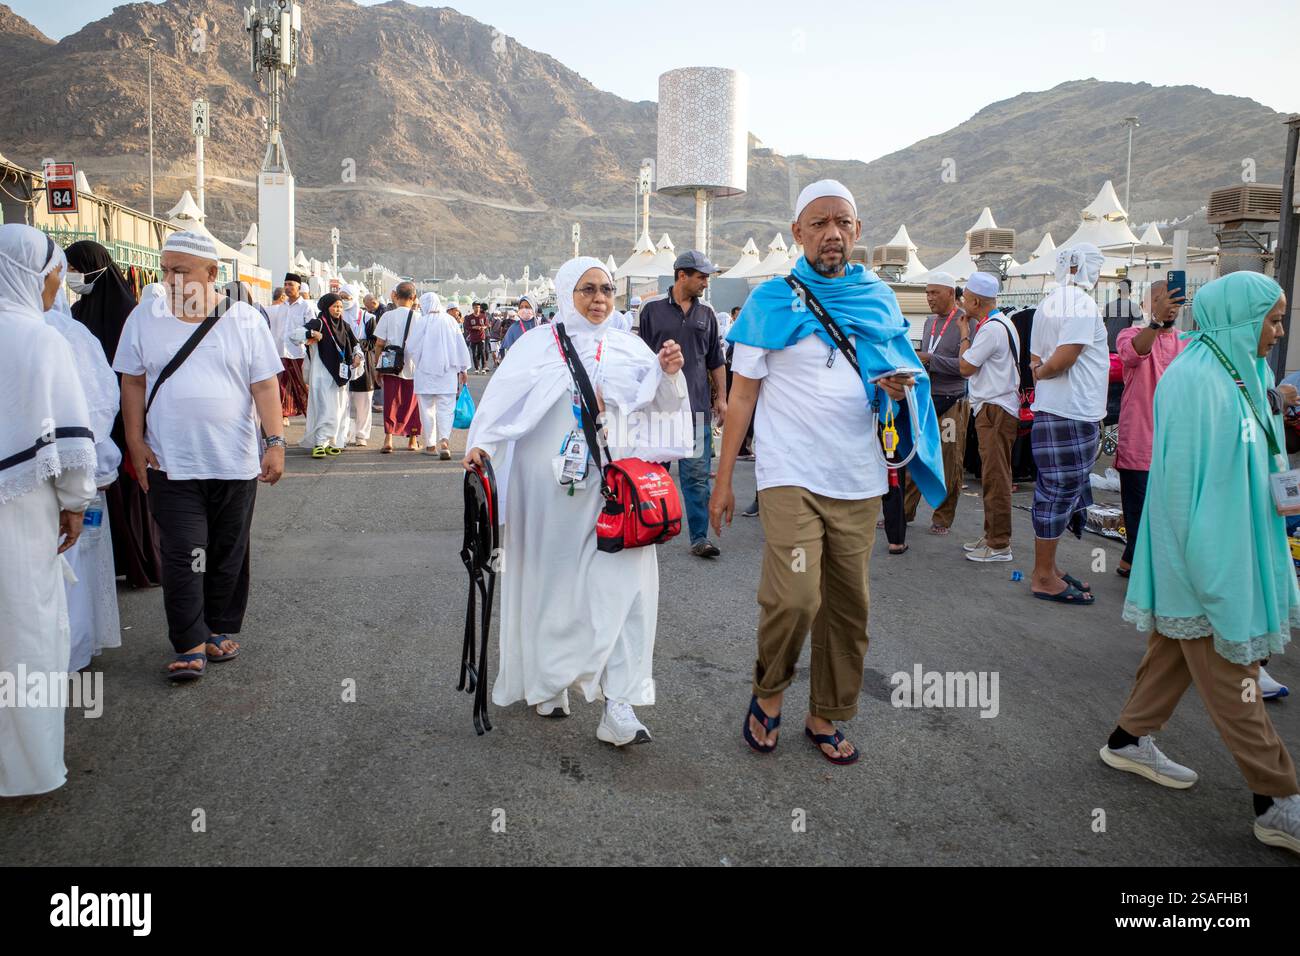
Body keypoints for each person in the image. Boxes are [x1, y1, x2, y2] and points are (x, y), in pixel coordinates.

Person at [711, 180, 946, 765]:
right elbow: (740, 401)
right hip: (791, 473)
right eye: (818, 223)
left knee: (847, 605)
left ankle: (827, 711)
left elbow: (899, 377)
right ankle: (769, 693)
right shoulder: (770, 301)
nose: (832, 232)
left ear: (858, 231)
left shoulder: (878, 300)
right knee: (793, 597)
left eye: (842, 221)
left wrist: (894, 390)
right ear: (797, 233)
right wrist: (721, 482)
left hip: (859, 477)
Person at [1101, 271, 1300, 857]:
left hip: (1237, 542)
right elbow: (1180, 492)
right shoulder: (1190, 379)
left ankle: (1128, 739)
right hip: (1205, 558)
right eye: (1273, 318)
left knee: (1172, 651)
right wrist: (1212, 579)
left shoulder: (1247, 371)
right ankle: (1278, 799)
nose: (1279, 331)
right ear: (1241, 319)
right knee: (1233, 680)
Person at [463, 257, 691, 745]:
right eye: (587, 289)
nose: (598, 298)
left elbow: (665, 412)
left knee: (627, 592)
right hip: (549, 494)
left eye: (606, 289)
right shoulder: (535, 347)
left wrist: (668, 375)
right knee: (552, 584)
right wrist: (482, 446)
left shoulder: (631, 347)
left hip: (617, 495)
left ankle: (621, 705)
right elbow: (502, 406)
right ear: (567, 293)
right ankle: (550, 680)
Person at [113, 230, 285, 682]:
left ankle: (219, 627)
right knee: (185, 550)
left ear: (212, 274)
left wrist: (275, 442)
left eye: (180, 270)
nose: (169, 278)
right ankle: (188, 639)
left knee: (228, 550)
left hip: (235, 461)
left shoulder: (245, 319)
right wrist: (134, 440)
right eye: (165, 269)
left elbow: (265, 386)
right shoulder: (144, 318)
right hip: (172, 463)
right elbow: (131, 381)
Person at [0, 224, 97, 795]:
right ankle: (27, 768)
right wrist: (74, 506)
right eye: (52, 276)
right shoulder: (42, 340)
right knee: (26, 629)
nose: (55, 287)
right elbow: (70, 444)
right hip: (23, 510)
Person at [65, 238, 163, 589]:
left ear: (96, 267)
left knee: (128, 490)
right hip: (90, 418)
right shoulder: (75, 313)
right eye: (69, 270)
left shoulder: (129, 314)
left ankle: (138, 560)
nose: (72, 277)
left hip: (125, 417)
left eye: (76, 269)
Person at [46, 280, 123, 671]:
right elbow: (94, 409)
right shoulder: (64, 335)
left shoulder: (61, 333)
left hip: (42, 480)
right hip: (61, 479)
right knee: (68, 567)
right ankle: (63, 652)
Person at [1028, 243, 1109, 604]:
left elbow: (1035, 356)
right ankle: (1043, 575)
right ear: (1083, 268)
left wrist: (1039, 372)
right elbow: (1063, 359)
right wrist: (1044, 373)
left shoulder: (1048, 302)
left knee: (1056, 491)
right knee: (1059, 493)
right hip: (1072, 412)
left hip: (1058, 410)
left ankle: (1050, 568)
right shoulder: (1081, 303)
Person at [638, 250, 727, 558]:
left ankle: (699, 538)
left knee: (696, 476)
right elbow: (639, 360)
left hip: (697, 411)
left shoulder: (708, 314)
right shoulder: (651, 311)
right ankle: (647, 529)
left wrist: (724, 399)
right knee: (653, 473)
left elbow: (716, 360)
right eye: (701, 276)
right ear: (682, 276)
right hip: (659, 410)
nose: (705, 282)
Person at [1114, 279, 1184, 577]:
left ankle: (1131, 564)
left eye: (1173, 298)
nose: (1168, 304)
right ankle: (1144, 571)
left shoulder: (1188, 341)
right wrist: (1155, 323)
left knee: (1171, 512)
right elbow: (1133, 354)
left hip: (1177, 445)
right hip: (1140, 441)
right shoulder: (1129, 334)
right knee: (1139, 513)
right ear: (1145, 305)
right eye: (1159, 299)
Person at [956, 272, 1021, 562]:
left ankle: (998, 544)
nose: (963, 303)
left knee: (996, 477)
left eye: (966, 298)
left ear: (977, 300)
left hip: (994, 409)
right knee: (994, 475)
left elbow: (965, 367)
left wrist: (964, 334)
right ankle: (992, 535)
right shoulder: (1002, 323)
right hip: (997, 407)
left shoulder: (990, 329)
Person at [906, 271, 969, 535]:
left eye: (934, 293)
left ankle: (942, 518)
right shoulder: (930, 322)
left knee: (949, 460)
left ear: (950, 294)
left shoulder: (966, 322)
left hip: (953, 400)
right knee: (915, 455)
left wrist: (930, 359)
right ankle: (903, 512)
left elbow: (965, 366)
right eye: (927, 292)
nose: (929, 298)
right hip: (926, 397)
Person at [293, 292, 363, 458]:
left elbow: (356, 346)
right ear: (326, 307)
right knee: (324, 408)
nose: (338, 309)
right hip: (321, 376)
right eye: (335, 306)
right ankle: (319, 442)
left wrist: (357, 356)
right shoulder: (318, 323)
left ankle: (334, 442)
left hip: (340, 376)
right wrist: (311, 334)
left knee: (339, 409)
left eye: (340, 306)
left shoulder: (344, 326)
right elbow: (294, 335)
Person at [411, 292, 469, 460]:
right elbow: (460, 346)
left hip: (425, 374)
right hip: (447, 374)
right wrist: (463, 369)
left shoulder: (422, 322)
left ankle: (430, 445)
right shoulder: (450, 321)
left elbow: (412, 348)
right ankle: (444, 441)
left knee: (427, 410)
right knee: (446, 410)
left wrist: (421, 360)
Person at [373, 281, 426, 453]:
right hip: (413, 364)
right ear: (414, 297)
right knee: (412, 402)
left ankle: (388, 439)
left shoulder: (387, 316)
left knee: (391, 400)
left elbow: (379, 343)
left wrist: (376, 366)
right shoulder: (419, 317)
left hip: (390, 362)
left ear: (395, 295)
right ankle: (412, 440)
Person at [267, 272, 313, 422]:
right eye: (285, 284)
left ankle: (310, 417)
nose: (287, 288)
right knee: (281, 387)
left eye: (290, 285)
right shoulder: (281, 307)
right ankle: (283, 415)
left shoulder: (306, 307)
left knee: (301, 388)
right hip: (280, 353)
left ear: (298, 287)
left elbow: (312, 329)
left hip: (298, 354)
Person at [338, 284, 378, 446]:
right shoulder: (337, 316)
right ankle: (344, 433)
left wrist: (356, 345)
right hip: (342, 362)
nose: (343, 301)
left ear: (354, 298)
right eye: (341, 297)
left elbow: (374, 341)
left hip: (363, 365)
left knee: (363, 401)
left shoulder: (368, 318)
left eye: (346, 298)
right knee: (342, 400)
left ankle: (361, 434)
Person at [1104, 278, 1144, 353]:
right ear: (1130, 292)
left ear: (1118, 291)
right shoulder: (1134, 307)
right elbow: (1139, 327)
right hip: (1122, 346)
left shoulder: (1108, 306)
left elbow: (1105, 325)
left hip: (1107, 346)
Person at [500, 295, 538, 359]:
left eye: (527, 307)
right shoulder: (513, 328)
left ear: (534, 309)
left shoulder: (540, 328)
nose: (524, 310)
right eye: (521, 307)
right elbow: (506, 351)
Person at [466, 302, 490, 373]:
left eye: (479, 307)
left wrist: (483, 327)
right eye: (476, 307)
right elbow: (467, 327)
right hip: (473, 338)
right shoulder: (469, 317)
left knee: (482, 352)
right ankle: (477, 368)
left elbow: (487, 325)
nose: (478, 309)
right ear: (473, 308)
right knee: (474, 353)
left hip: (481, 337)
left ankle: (483, 368)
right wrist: (474, 327)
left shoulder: (483, 316)